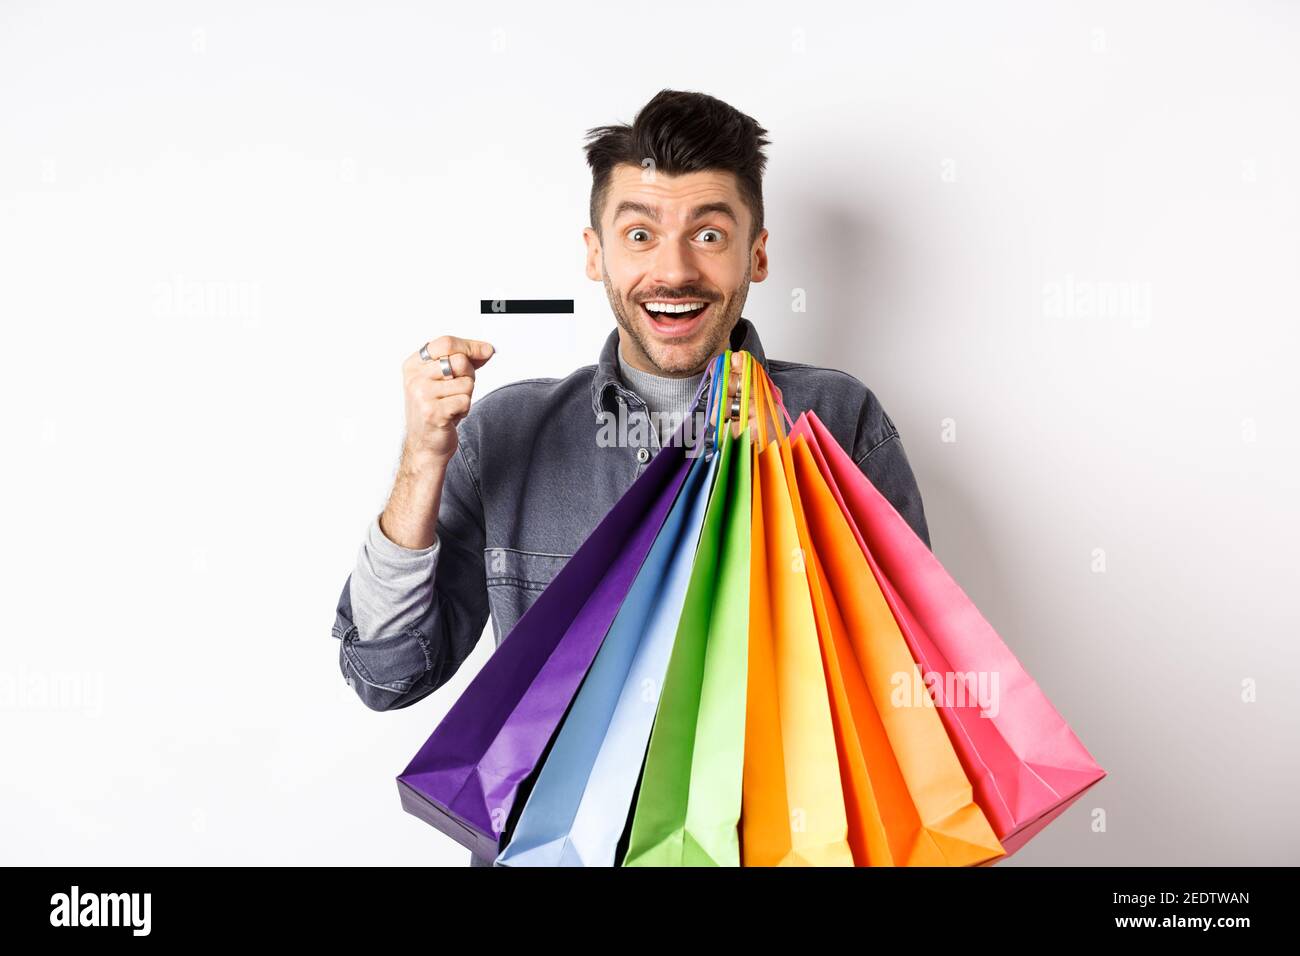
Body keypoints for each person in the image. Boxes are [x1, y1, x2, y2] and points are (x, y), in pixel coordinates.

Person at [329, 88, 932, 866]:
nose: (672, 270)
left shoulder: (838, 421)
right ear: (595, 254)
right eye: (640, 234)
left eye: (708, 233)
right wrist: (422, 461)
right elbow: (386, 677)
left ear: (757, 252)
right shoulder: (508, 433)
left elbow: (905, 701)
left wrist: (797, 505)